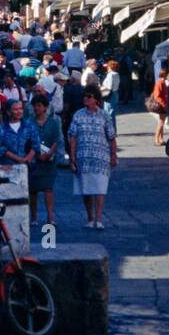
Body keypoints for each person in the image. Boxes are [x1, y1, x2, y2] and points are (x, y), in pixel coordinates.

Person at [68, 86, 117, 230]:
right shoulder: (78, 115)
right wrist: (72, 157)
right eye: (84, 96)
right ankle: (90, 217)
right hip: (83, 157)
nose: (85, 99)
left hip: (101, 157)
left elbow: (112, 137)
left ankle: (99, 218)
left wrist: (113, 155)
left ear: (96, 99)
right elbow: (73, 137)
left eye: (89, 96)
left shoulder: (104, 116)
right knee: (86, 189)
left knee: (100, 188)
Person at [28, 95, 61, 226]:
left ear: (45, 107)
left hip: (49, 161)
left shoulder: (53, 122)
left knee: (48, 188)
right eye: (35, 105)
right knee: (33, 190)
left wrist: (49, 153)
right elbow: (27, 140)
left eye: (39, 105)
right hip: (34, 161)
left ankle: (50, 217)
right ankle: (34, 217)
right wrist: (36, 153)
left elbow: (56, 139)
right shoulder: (29, 122)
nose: (36, 108)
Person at [149, 70, 169, 146]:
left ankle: (161, 139)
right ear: (165, 75)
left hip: (162, 105)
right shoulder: (160, 83)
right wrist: (164, 104)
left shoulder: (162, 82)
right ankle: (156, 139)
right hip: (161, 105)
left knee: (161, 122)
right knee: (161, 123)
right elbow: (157, 96)